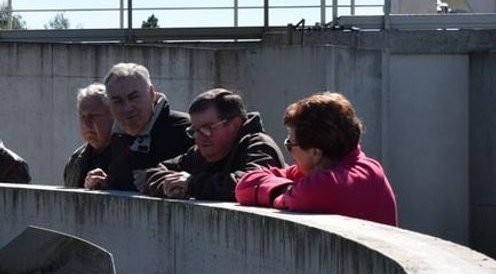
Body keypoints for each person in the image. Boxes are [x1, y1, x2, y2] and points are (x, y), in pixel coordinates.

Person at [235, 92, 398, 226]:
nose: (290, 151)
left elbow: (310, 192)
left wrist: (284, 191)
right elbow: (245, 184)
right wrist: (287, 190)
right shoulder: (324, 169)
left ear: (315, 153)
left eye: (290, 143)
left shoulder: (334, 182)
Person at [139, 89, 285, 201]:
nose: (198, 137)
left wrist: (192, 185)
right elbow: (152, 171)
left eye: (207, 128)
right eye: (194, 130)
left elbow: (252, 184)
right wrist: (170, 185)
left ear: (235, 124)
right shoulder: (199, 154)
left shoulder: (260, 146)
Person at [84, 63, 192, 191]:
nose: (127, 108)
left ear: (151, 94)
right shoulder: (116, 136)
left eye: (134, 97)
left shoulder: (185, 130)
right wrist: (105, 184)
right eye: (118, 101)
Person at [63, 83, 114, 188]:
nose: (87, 124)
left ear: (114, 116)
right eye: (83, 116)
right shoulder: (75, 160)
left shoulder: (128, 156)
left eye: (93, 116)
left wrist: (111, 187)